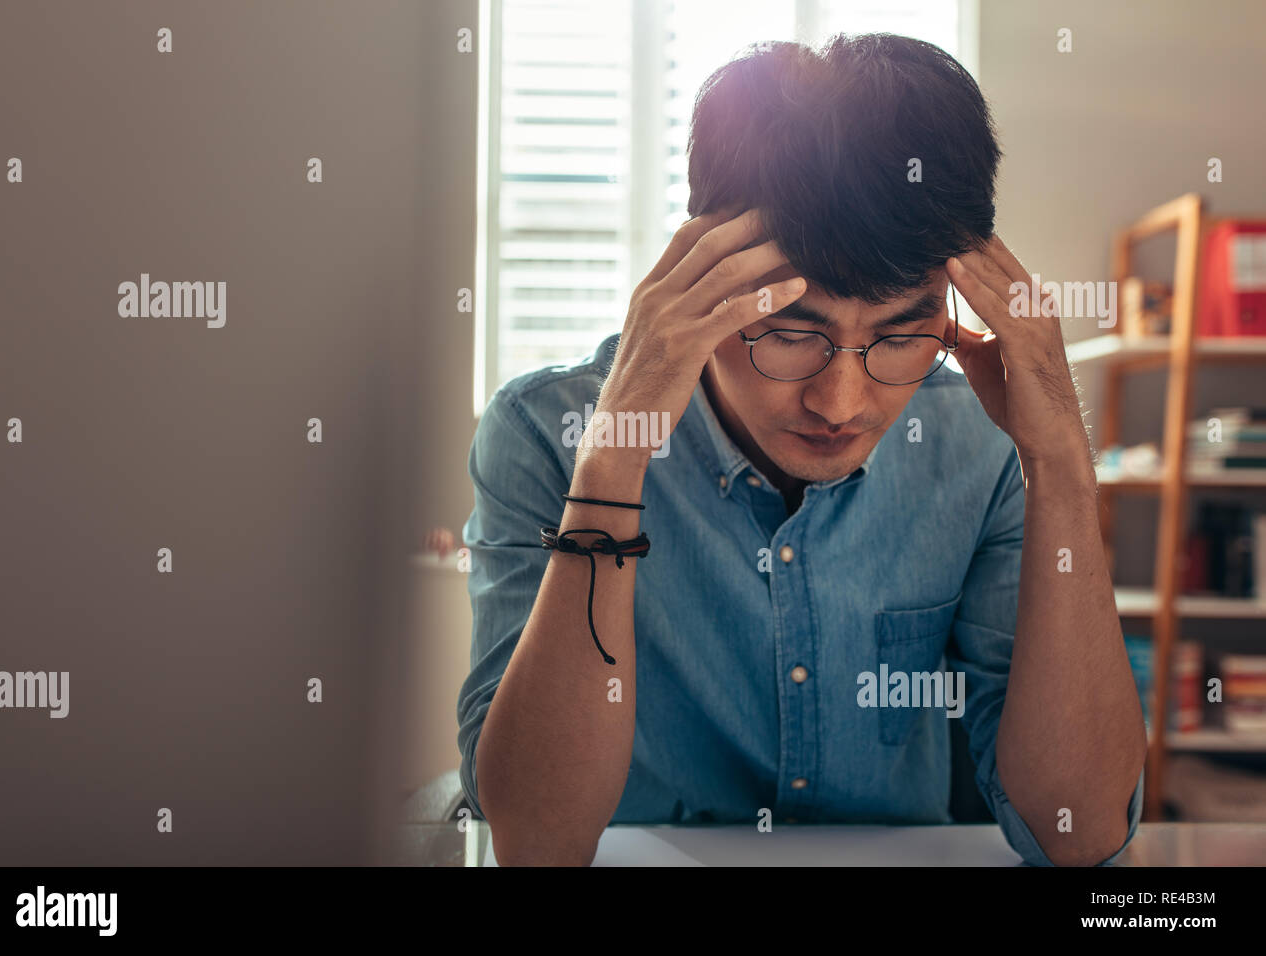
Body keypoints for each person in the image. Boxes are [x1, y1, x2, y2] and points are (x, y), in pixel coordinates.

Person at [456, 34, 1146, 866]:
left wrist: (1062, 464)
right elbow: (537, 841)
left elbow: (1084, 837)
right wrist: (616, 455)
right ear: (698, 278)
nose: (842, 404)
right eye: (788, 333)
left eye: (899, 337)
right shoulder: (547, 432)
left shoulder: (979, 448)